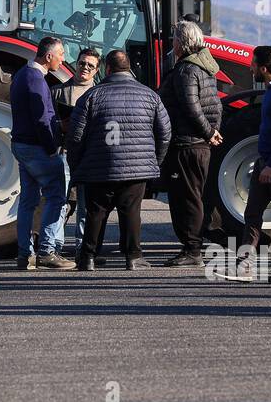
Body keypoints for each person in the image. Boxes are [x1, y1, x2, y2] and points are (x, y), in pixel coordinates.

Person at [66, 51, 171, 270]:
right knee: (131, 211)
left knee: (96, 212)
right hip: (136, 168)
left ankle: (88, 258)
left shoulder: (91, 96)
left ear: (108, 69)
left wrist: (77, 165)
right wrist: (153, 162)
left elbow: (75, 135)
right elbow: (165, 133)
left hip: (99, 166)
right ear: (129, 68)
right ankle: (133, 257)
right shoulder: (150, 96)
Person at [224, 46, 271, 283]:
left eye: (253, 64)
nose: (250, 68)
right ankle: (245, 266)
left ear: (263, 68)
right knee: (252, 213)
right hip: (266, 161)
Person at [159, 22, 222, 268]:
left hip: (186, 143)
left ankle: (192, 249)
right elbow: (214, 105)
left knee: (185, 198)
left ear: (181, 43)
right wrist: (213, 131)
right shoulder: (205, 67)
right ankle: (193, 246)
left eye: (174, 39)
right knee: (196, 195)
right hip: (199, 144)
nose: (172, 44)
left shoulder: (185, 70)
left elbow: (190, 106)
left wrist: (207, 132)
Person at [10, 36, 75, 270]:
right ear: (49, 56)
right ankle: (47, 252)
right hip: (37, 147)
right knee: (57, 196)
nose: (63, 59)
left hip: (21, 144)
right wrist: (51, 148)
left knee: (28, 200)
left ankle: (24, 254)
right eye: (61, 54)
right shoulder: (36, 79)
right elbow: (41, 118)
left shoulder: (22, 75)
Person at [53, 47, 100, 260]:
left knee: (85, 205)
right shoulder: (58, 92)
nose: (85, 68)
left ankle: (83, 248)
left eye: (90, 65)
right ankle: (54, 247)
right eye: (82, 63)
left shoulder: (99, 93)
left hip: (89, 157)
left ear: (96, 70)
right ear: (76, 64)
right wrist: (59, 124)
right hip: (64, 152)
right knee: (60, 202)